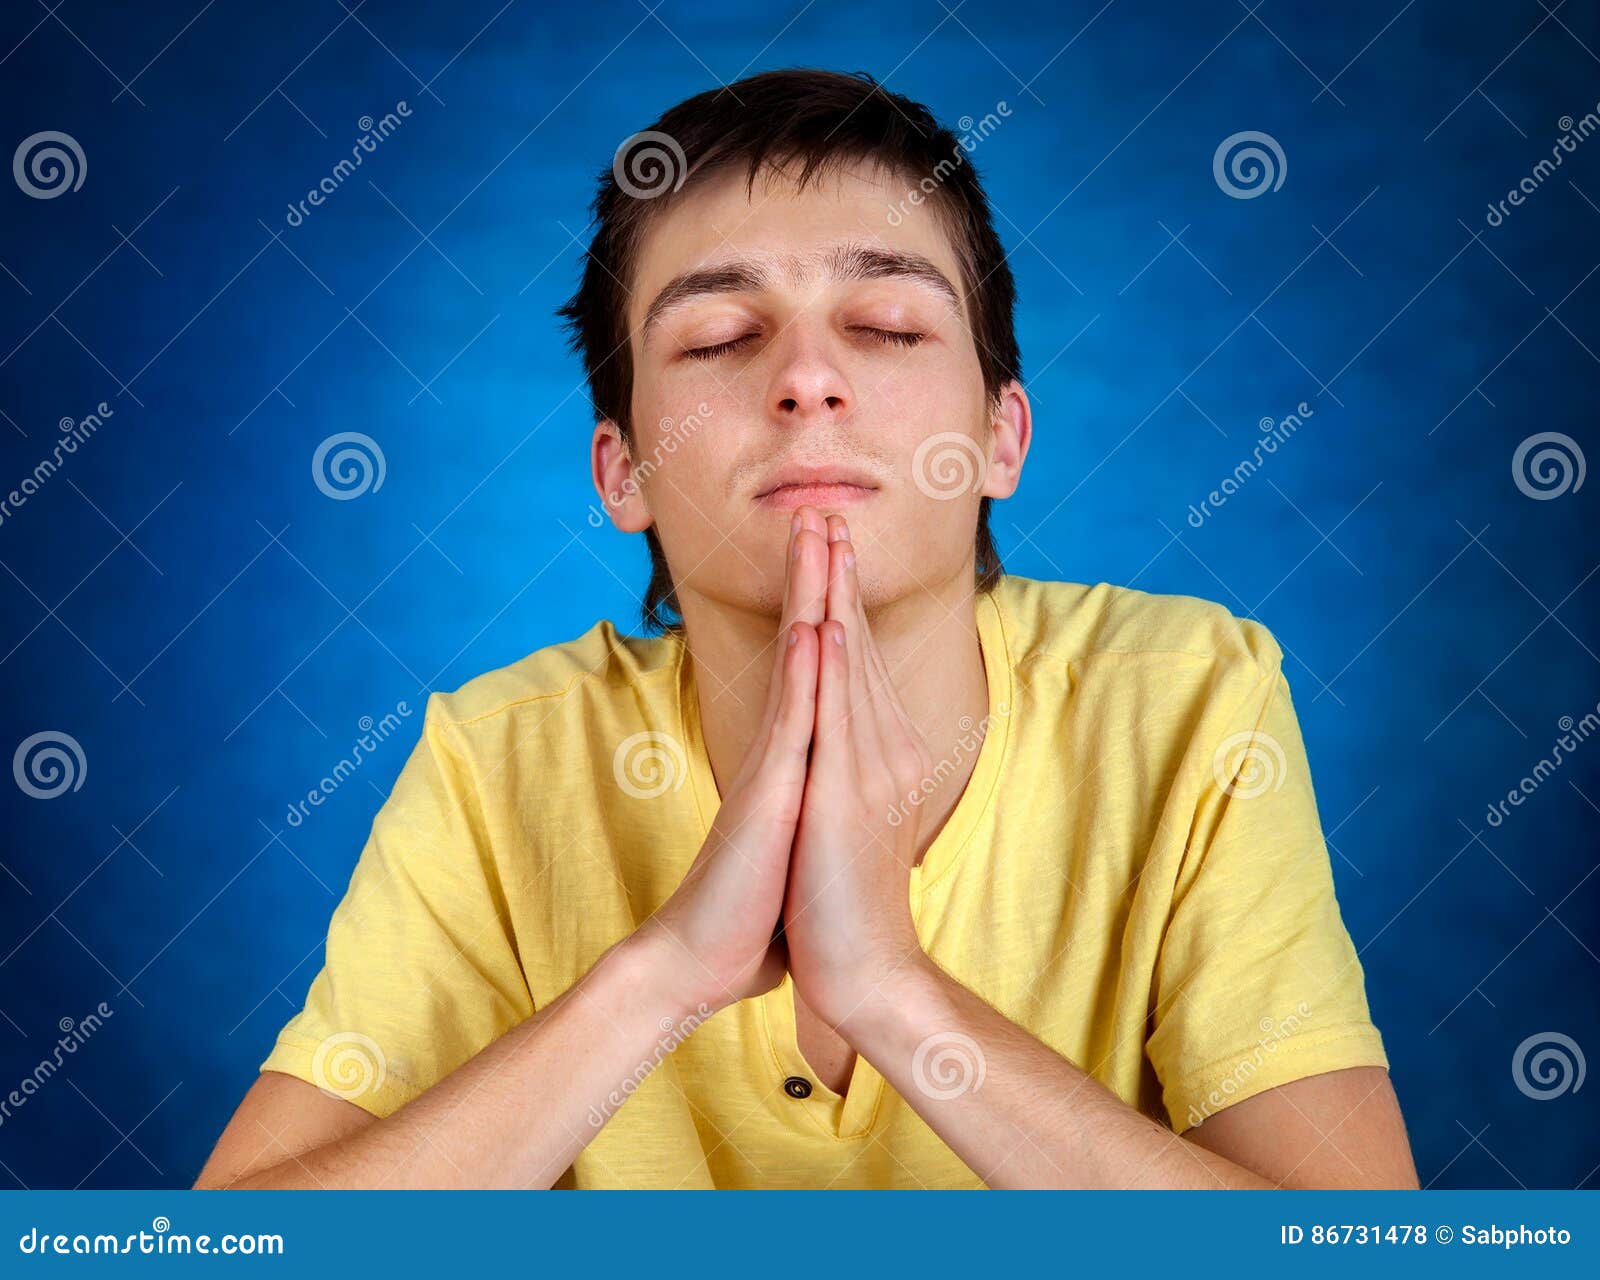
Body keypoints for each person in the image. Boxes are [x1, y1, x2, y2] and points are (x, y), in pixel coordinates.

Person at [195, 68, 1417, 1190]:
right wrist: (667, 972)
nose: (807, 378)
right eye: (721, 338)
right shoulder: (497, 760)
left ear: (1000, 435)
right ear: (622, 472)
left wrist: (889, 986)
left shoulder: (1189, 700)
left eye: (886, 325)